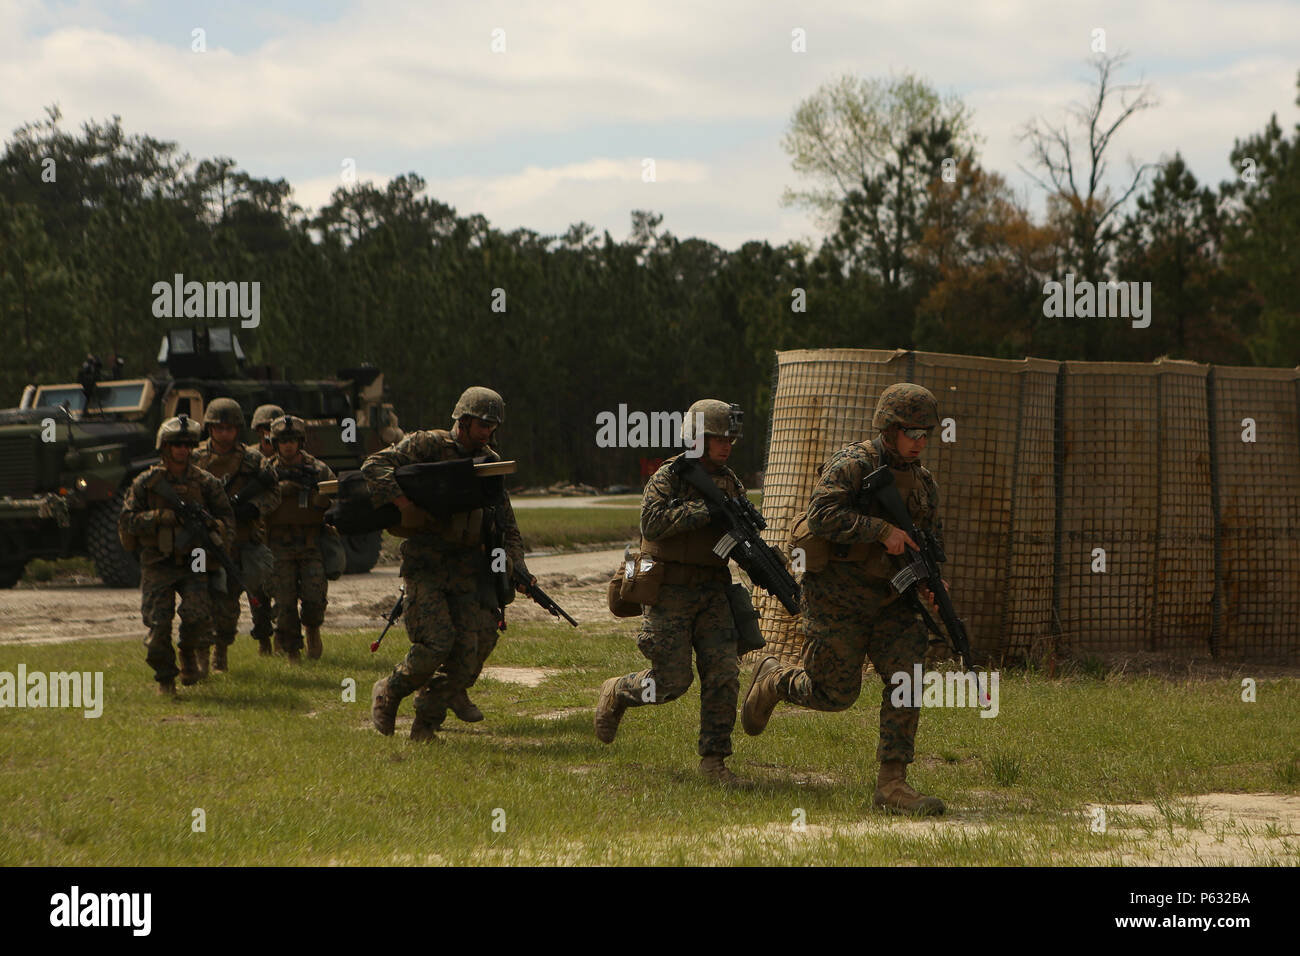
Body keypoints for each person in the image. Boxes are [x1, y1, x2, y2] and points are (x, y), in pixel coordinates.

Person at [741, 383, 948, 814]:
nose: (921, 441)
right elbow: (822, 516)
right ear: (889, 429)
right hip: (837, 598)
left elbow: (926, 540)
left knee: (907, 676)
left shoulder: (924, 483)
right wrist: (881, 531)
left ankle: (892, 782)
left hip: (892, 601)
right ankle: (775, 680)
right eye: (913, 431)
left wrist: (932, 580)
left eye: (928, 433)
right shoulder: (853, 464)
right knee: (835, 694)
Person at [593, 399, 749, 786]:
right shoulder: (671, 476)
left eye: (731, 438)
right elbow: (652, 521)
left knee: (724, 675)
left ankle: (714, 762)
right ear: (697, 437)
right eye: (718, 438)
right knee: (671, 682)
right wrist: (705, 511)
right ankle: (618, 691)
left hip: (713, 591)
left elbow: (739, 533)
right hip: (669, 592)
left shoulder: (730, 481)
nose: (726, 445)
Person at [364, 387, 534, 741]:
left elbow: (506, 522)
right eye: (482, 424)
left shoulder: (490, 462)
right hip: (427, 566)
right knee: (436, 644)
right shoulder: (426, 445)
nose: (488, 431)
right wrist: (402, 503)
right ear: (464, 420)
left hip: (469, 569)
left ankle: (426, 723)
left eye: (493, 425)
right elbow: (374, 465)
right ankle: (389, 690)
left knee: (475, 649)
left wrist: (517, 566)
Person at [117, 415, 234, 694]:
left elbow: (227, 519)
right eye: (176, 444)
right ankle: (166, 679)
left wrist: (212, 531)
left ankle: (188, 653)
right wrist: (161, 517)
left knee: (197, 618)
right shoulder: (146, 482)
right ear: (164, 447)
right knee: (158, 627)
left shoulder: (205, 482)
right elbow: (127, 520)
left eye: (187, 444)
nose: (182, 449)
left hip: (194, 560)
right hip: (158, 561)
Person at [191, 398, 281, 666]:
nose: (224, 433)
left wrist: (254, 508)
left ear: (238, 429)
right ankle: (201, 658)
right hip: (203, 544)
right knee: (199, 602)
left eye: (229, 428)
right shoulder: (195, 458)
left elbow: (273, 491)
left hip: (239, 542)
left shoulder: (253, 460)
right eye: (219, 428)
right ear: (210, 428)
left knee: (228, 606)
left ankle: (222, 651)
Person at [264, 415, 335, 663]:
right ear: (275, 443)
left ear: (300, 441)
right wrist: (281, 491)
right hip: (278, 545)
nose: (288, 445)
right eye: (283, 440)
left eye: (293, 440)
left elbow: (335, 499)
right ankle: (292, 650)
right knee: (284, 601)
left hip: (310, 543)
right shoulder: (266, 471)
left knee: (314, 597)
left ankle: (313, 631)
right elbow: (255, 505)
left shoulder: (317, 469)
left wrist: (321, 499)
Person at [245, 403, 285, 650]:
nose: (268, 433)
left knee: (283, 589)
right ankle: (263, 638)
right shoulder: (248, 459)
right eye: (264, 428)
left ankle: (283, 635)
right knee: (256, 591)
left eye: (273, 428)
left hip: (281, 533)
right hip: (256, 533)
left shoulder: (291, 455)